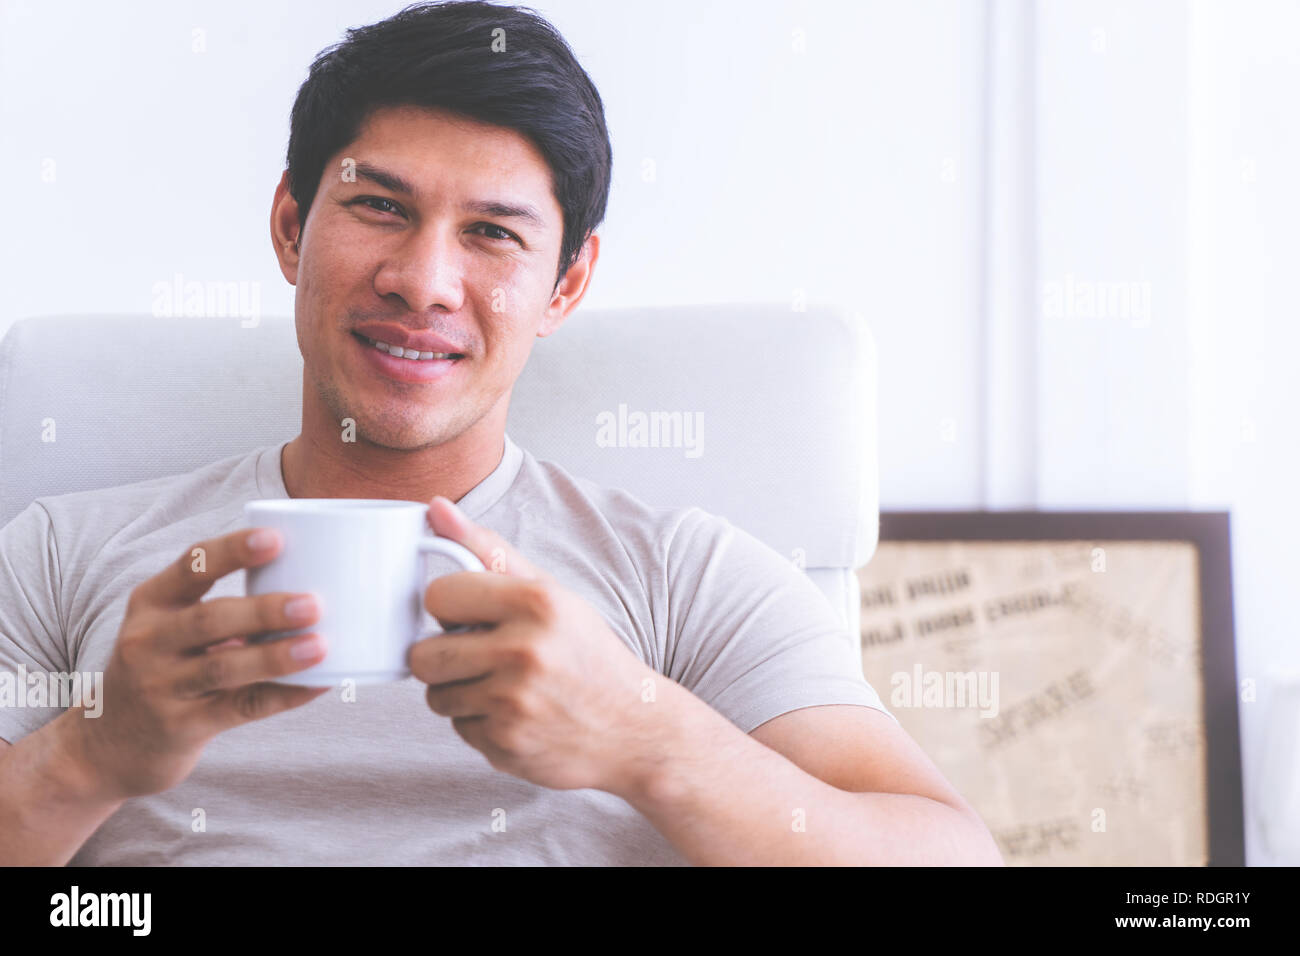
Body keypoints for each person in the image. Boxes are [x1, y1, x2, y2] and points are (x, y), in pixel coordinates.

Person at [0, 0, 1001, 866]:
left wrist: (643, 737)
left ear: (565, 283)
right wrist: (91, 750)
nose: (423, 282)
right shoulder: (60, 553)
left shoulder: (680, 579)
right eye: (380, 206)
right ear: (290, 228)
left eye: (492, 233)